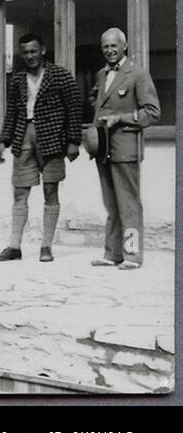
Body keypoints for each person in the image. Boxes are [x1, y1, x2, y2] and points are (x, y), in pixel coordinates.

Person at [0, 33, 81, 263]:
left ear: (43, 50)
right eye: (25, 53)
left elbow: (74, 109)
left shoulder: (60, 76)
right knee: (20, 191)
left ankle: (46, 246)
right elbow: (12, 112)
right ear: (21, 54)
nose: (30, 56)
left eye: (34, 51)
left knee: (50, 191)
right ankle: (14, 246)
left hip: (52, 141)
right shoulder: (18, 80)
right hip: (24, 138)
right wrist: (4, 141)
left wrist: (73, 141)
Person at [88, 27, 159, 270]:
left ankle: (132, 256)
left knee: (129, 203)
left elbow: (152, 112)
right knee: (111, 203)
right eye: (105, 47)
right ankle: (112, 254)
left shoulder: (137, 74)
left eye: (114, 46)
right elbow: (97, 101)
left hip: (126, 147)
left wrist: (122, 118)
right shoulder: (101, 74)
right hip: (103, 148)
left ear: (124, 46)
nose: (109, 50)